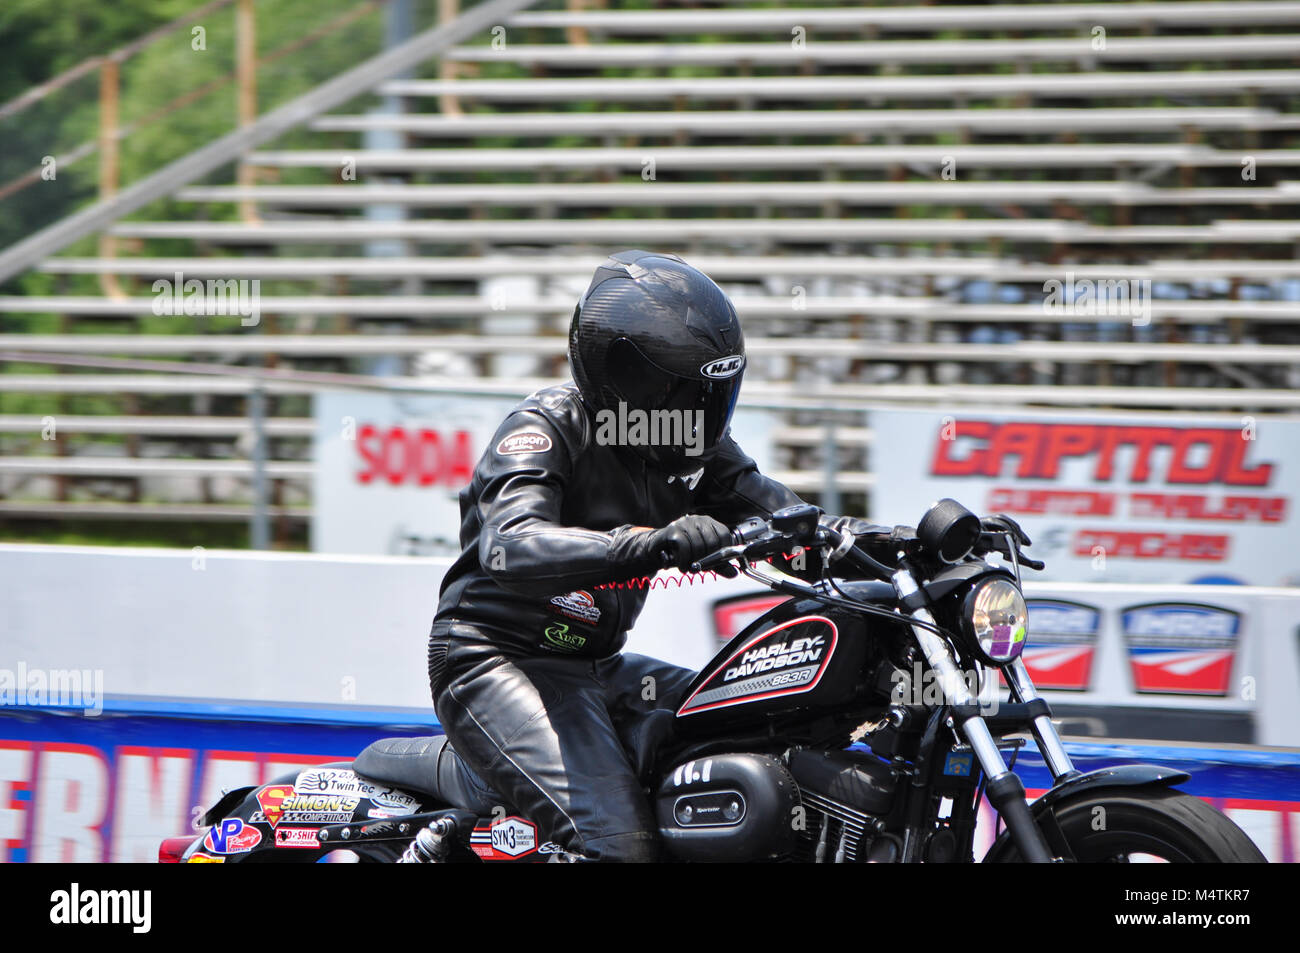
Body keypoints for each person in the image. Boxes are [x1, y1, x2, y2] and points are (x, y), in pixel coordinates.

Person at [427, 250, 879, 861]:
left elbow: (798, 526)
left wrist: (920, 539)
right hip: (495, 660)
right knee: (622, 846)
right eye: (686, 394)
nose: (702, 413)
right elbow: (512, 544)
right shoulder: (546, 427)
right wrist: (654, 544)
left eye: (713, 392)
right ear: (630, 383)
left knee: (761, 739)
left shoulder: (696, 449)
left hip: (598, 666)